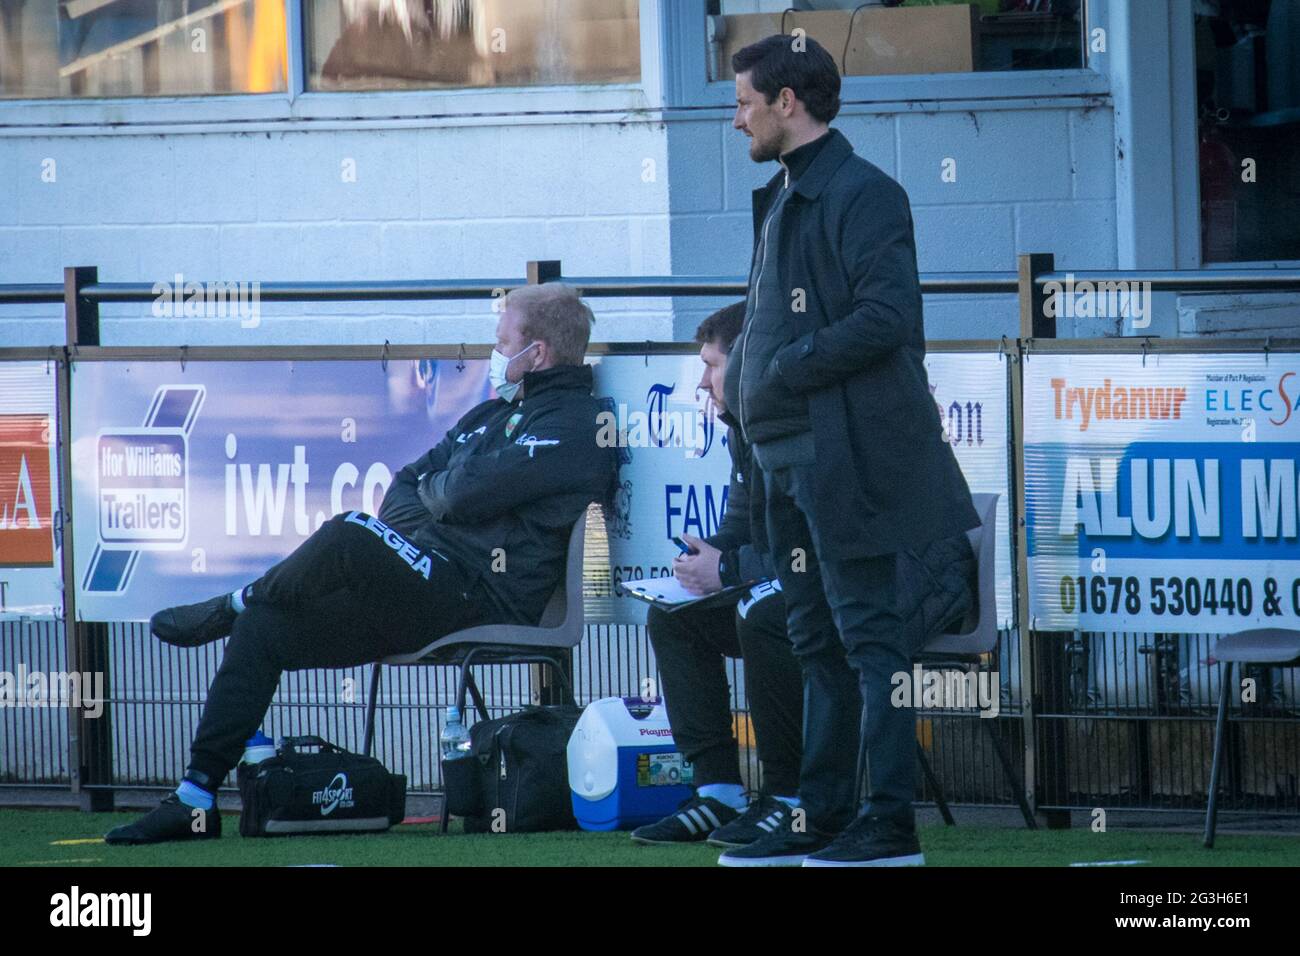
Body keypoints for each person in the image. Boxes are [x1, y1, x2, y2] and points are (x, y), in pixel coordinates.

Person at [106, 283, 619, 845]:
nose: (492, 352)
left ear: (538, 353)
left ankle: (232, 602)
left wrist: (442, 501)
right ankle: (194, 799)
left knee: (349, 530)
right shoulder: (489, 415)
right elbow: (405, 487)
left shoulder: (577, 424)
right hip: (424, 585)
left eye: (501, 340)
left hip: (481, 597)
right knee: (267, 626)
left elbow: (461, 494)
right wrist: (437, 506)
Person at [717, 35, 979, 867]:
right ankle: (821, 817)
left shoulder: (864, 193)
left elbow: (886, 316)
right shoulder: (788, 194)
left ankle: (889, 822)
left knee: (870, 644)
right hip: (785, 461)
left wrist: (784, 368)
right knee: (816, 643)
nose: (737, 120)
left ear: (787, 103)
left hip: (846, 463)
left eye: (745, 103)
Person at [630, 303, 805, 848]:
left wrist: (728, 567)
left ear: (751, 362)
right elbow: (743, 529)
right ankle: (719, 794)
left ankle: (790, 798)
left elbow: (819, 551)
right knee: (673, 615)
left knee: (763, 613)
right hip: (804, 589)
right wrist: (705, 559)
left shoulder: (804, 420)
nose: (702, 381)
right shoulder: (745, 428)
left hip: (883, 594)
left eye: (712, 365)